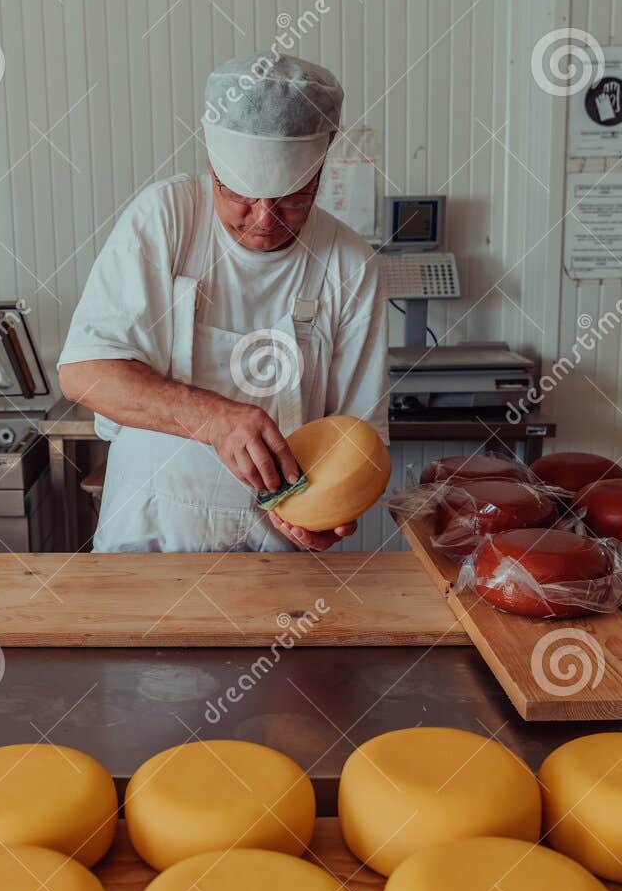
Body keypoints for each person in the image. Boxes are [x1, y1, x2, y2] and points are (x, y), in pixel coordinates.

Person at [58, 53, 390, 553]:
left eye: (291, 197)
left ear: (321, 174)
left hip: (278, 560)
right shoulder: (166, 218)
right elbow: (84, 374)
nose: (263, 218)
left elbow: (358, 443)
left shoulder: (349, 265)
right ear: (212, 164)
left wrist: (331, 515)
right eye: (239, 193)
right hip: (149, 541)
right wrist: (213, 418)